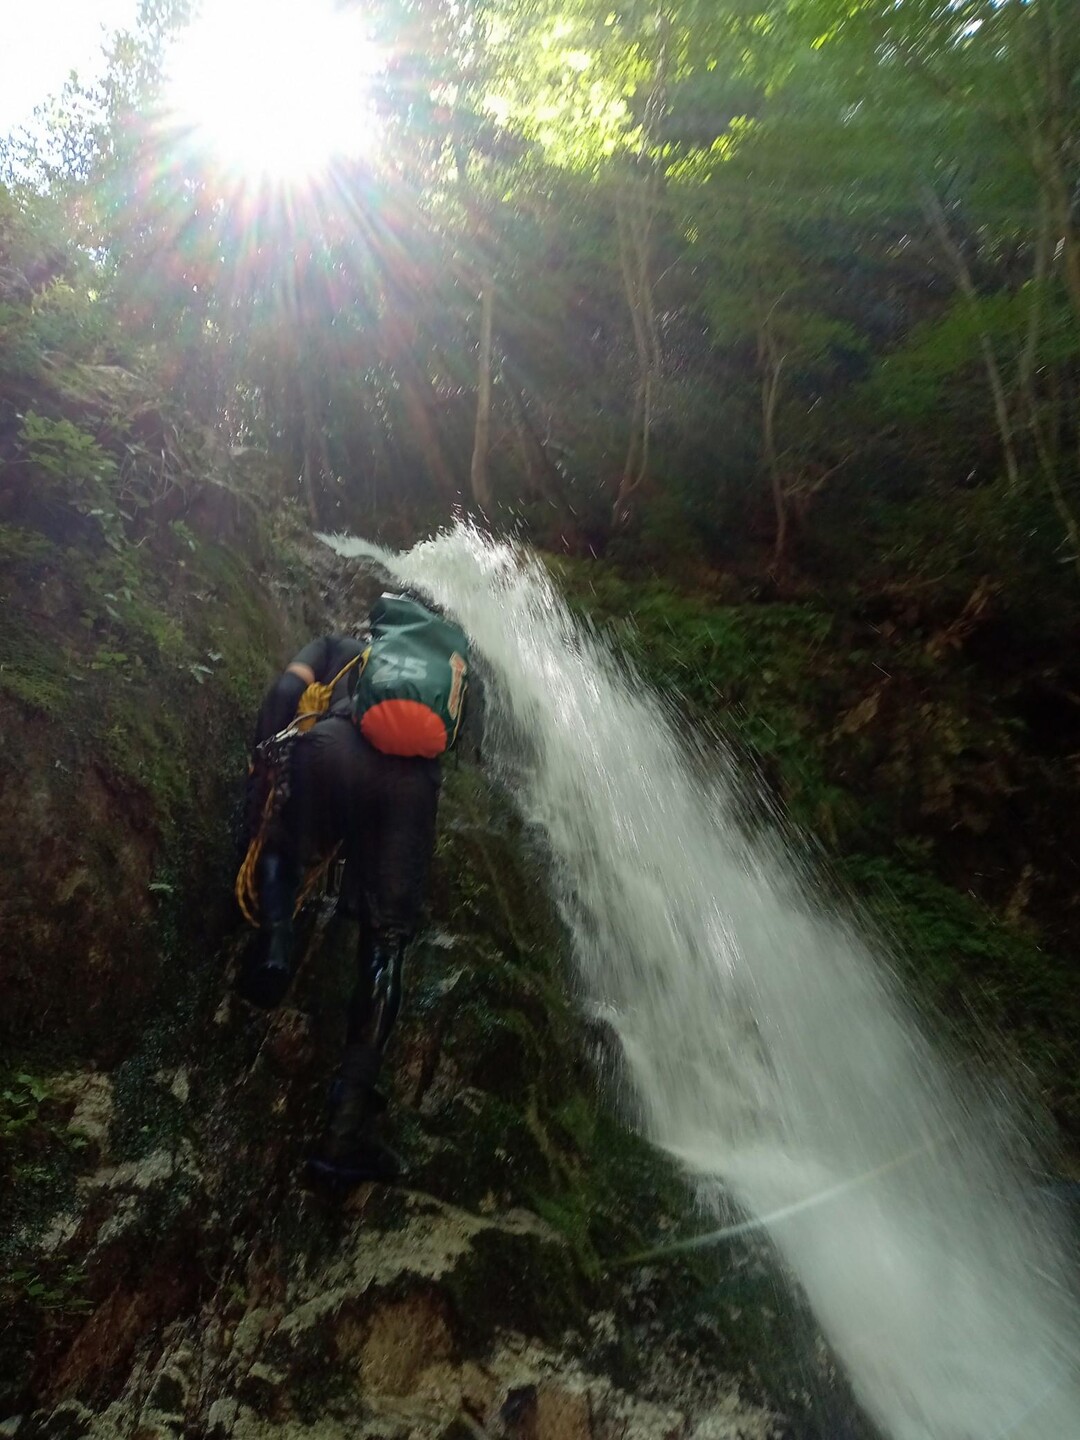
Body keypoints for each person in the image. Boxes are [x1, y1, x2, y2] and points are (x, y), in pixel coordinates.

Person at [236, 591, 471, 1184]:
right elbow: (455, 741)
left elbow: (286, 695)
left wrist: (264, 763)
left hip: (331, 750)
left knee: (283, 841)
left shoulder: (341, 648)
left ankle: (276, 947)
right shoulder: (448, 669)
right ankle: (341, 1138)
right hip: (408, 791)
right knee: (385, 941)